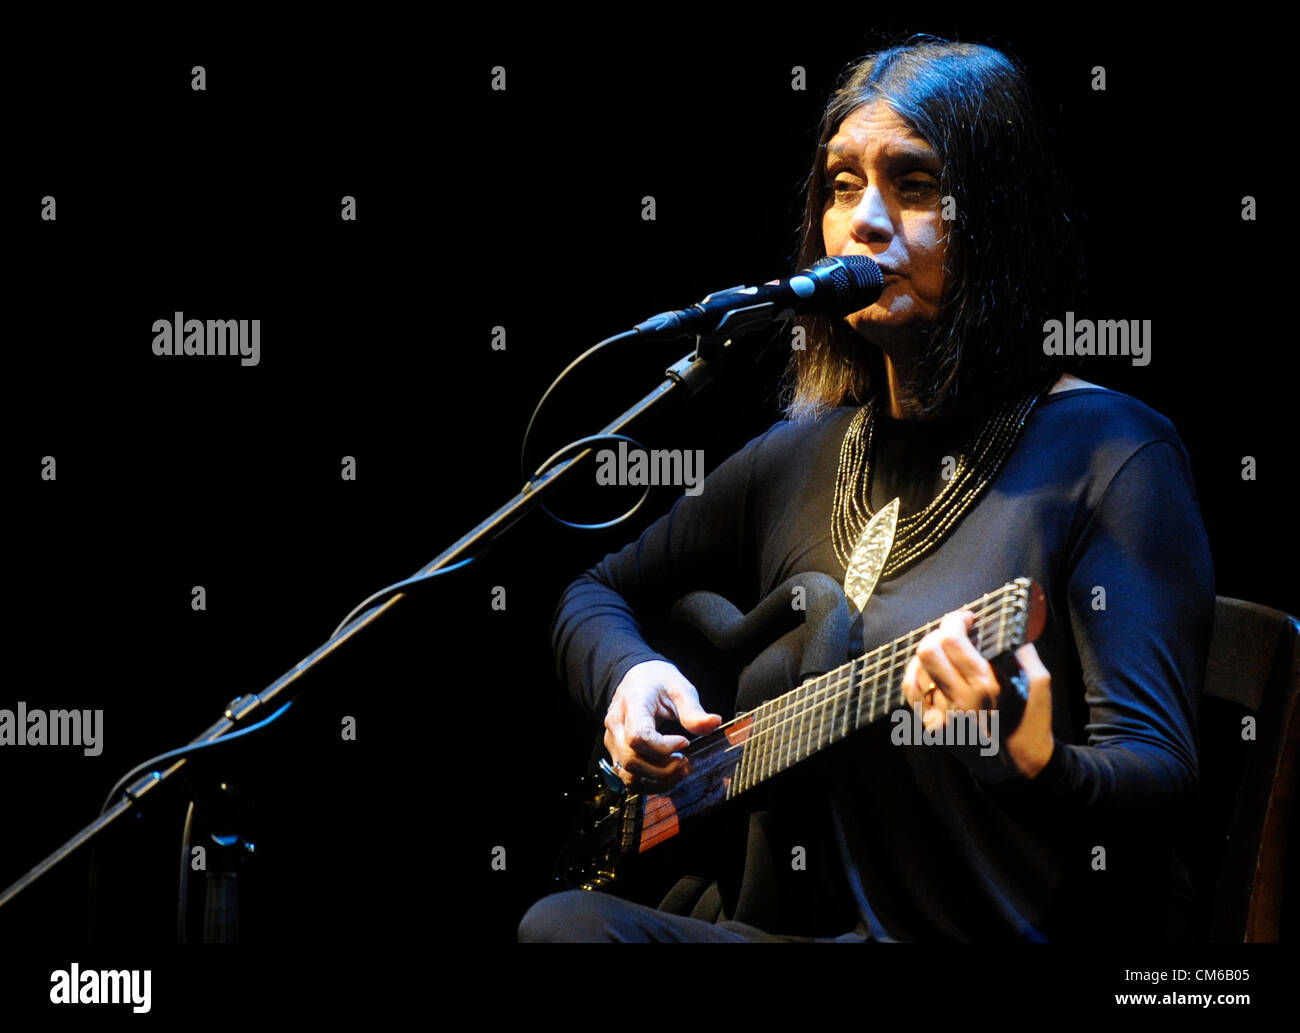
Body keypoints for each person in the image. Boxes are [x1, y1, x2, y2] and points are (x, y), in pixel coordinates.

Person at [519, 37, 1214, 942]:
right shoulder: (802, 453)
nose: (864, 221)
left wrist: (1028, 759)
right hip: (785, 921)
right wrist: (633, 671)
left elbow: (1158, 776)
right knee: (563, 926)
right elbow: (592, 590)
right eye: (843, 186)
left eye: (914, 185)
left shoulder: (1113, 455)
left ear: (998, 216)